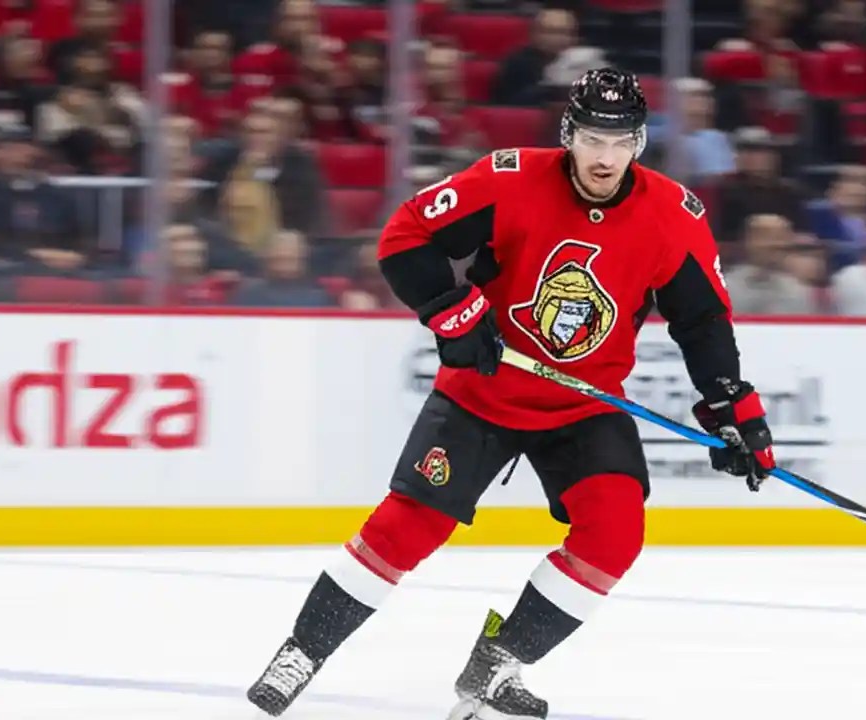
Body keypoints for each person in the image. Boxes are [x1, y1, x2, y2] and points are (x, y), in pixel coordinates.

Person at [245, 68, 779, 719]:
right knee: (406, 527)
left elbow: (703, 323)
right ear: (569, 134)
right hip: (483, 392)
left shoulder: (673, 216)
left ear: (639, 143)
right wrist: (453, 312)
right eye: (592, 138)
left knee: (615, 534)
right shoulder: (510, 178)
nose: (605, 157)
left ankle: (497, 663)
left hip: (584, 405)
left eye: (620, 142)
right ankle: (303, 649)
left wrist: (733, 411)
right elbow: (405, 235)